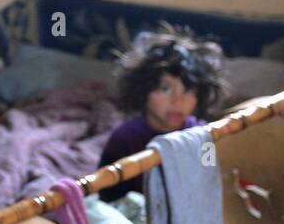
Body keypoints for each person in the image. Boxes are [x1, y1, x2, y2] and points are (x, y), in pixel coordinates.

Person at [97, 25, 229, 202]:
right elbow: (106, 197)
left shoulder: (204, 137)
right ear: (144, 90)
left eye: (188, 91)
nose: (178, 101)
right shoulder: (125, 138)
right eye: (165, 89)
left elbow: (210, 179)